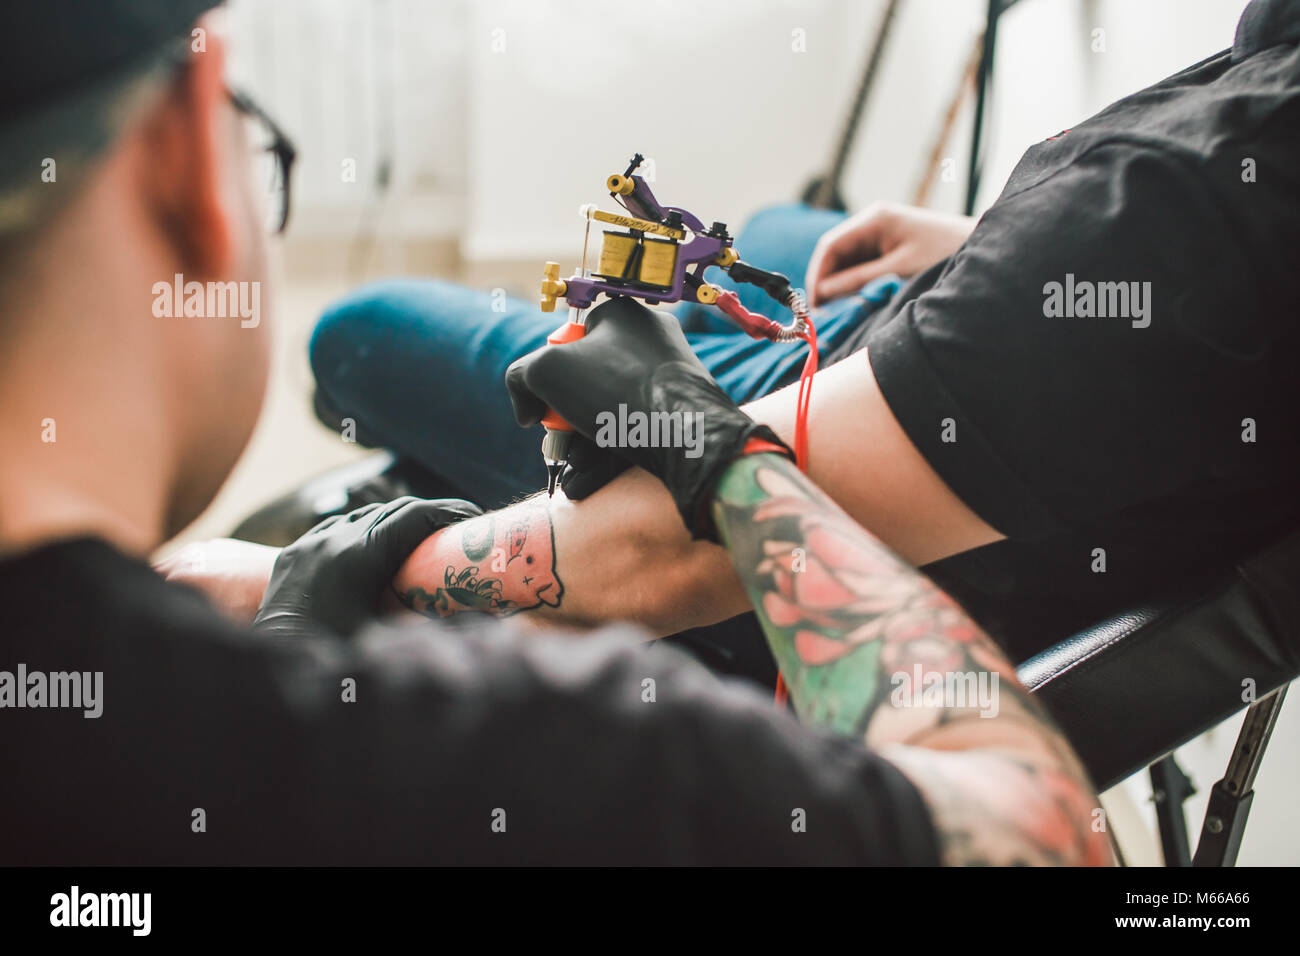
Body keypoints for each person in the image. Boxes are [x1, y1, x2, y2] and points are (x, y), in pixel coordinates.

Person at [0, 0, 1108, 866]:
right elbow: (1038, 833)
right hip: (871, 360)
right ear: (192, 151)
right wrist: (721, 454)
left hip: (896, 331)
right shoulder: (558, 766)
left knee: (764, 231)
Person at [272, 0, 1300, 670]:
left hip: (844, 475)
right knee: (777, 227)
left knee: (354, 334)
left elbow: (663, 556)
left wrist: (334, 578)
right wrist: (975, 242)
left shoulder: (1173, 213)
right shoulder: (1248, 119)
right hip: (942, 354)